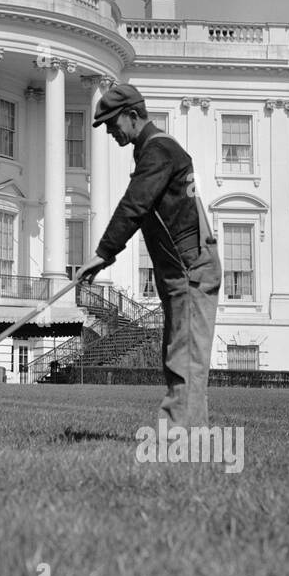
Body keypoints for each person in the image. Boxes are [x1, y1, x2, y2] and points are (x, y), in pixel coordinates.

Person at [83, 83, 222, 426]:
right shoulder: (155, 149)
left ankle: (179, 437)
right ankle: (189, 436)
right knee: (181, 352)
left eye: (113, 123)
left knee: (184, 355)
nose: (111, 132)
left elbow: (136, 204)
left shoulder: (158, 150)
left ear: (132, 116)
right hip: (183, 266)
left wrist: (103, 253)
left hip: (190, 266)